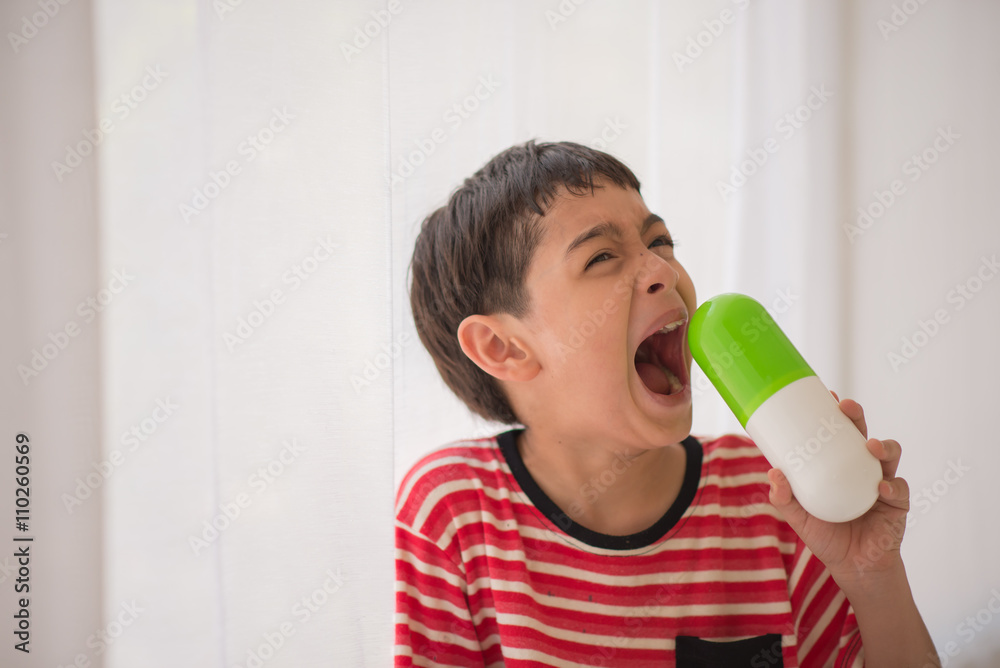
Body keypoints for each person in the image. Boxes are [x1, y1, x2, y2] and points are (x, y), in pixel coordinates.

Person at [395, 140, 938, 667]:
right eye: (602, 256)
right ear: (505, 347)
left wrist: (872, 576)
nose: (665, 273)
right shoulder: (454, 514)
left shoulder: (775, 495)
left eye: (660, 243)